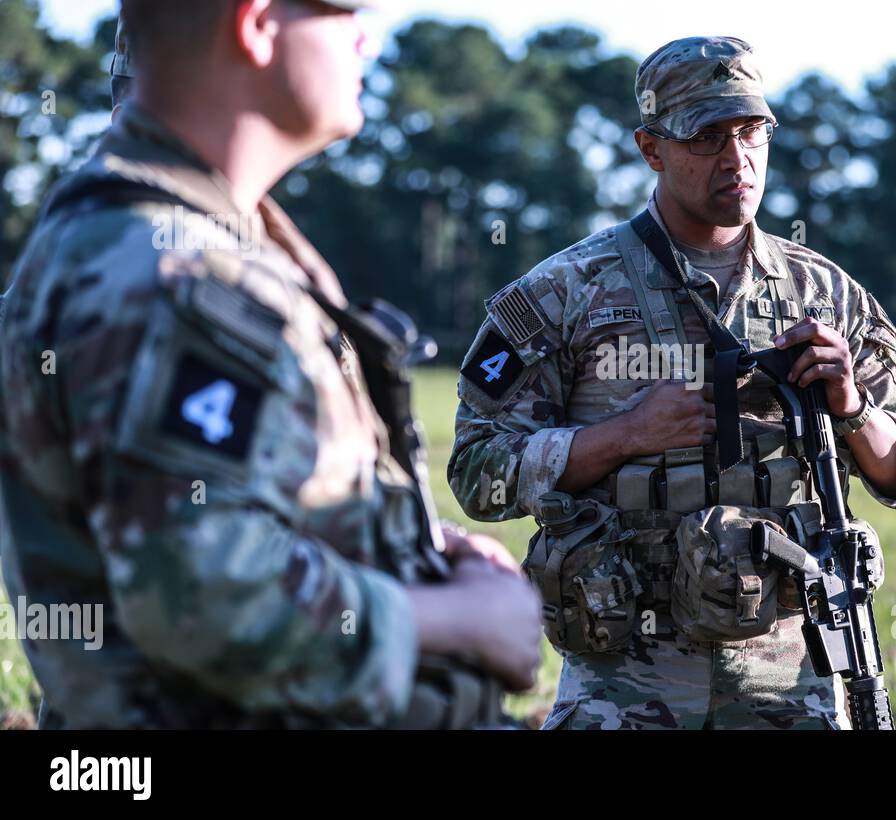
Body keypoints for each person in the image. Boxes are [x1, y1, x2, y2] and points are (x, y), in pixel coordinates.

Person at [0, 0, 541, 729]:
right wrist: (459, 619)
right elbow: (205, 595)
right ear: (256, 23)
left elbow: (207, 508)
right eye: (345, 8)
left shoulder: (178, 239)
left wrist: (400, 540)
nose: (364, 33)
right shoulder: (177, 276)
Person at [449, 35, 896, 729]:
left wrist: (856, 411)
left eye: (751, 133)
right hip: (624, 683)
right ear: (651, 148)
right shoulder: (563, 294)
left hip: (793, 682)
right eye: (707, 137)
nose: (737, 159)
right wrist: (624, 436)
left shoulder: (827, 295)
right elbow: (477, 472)